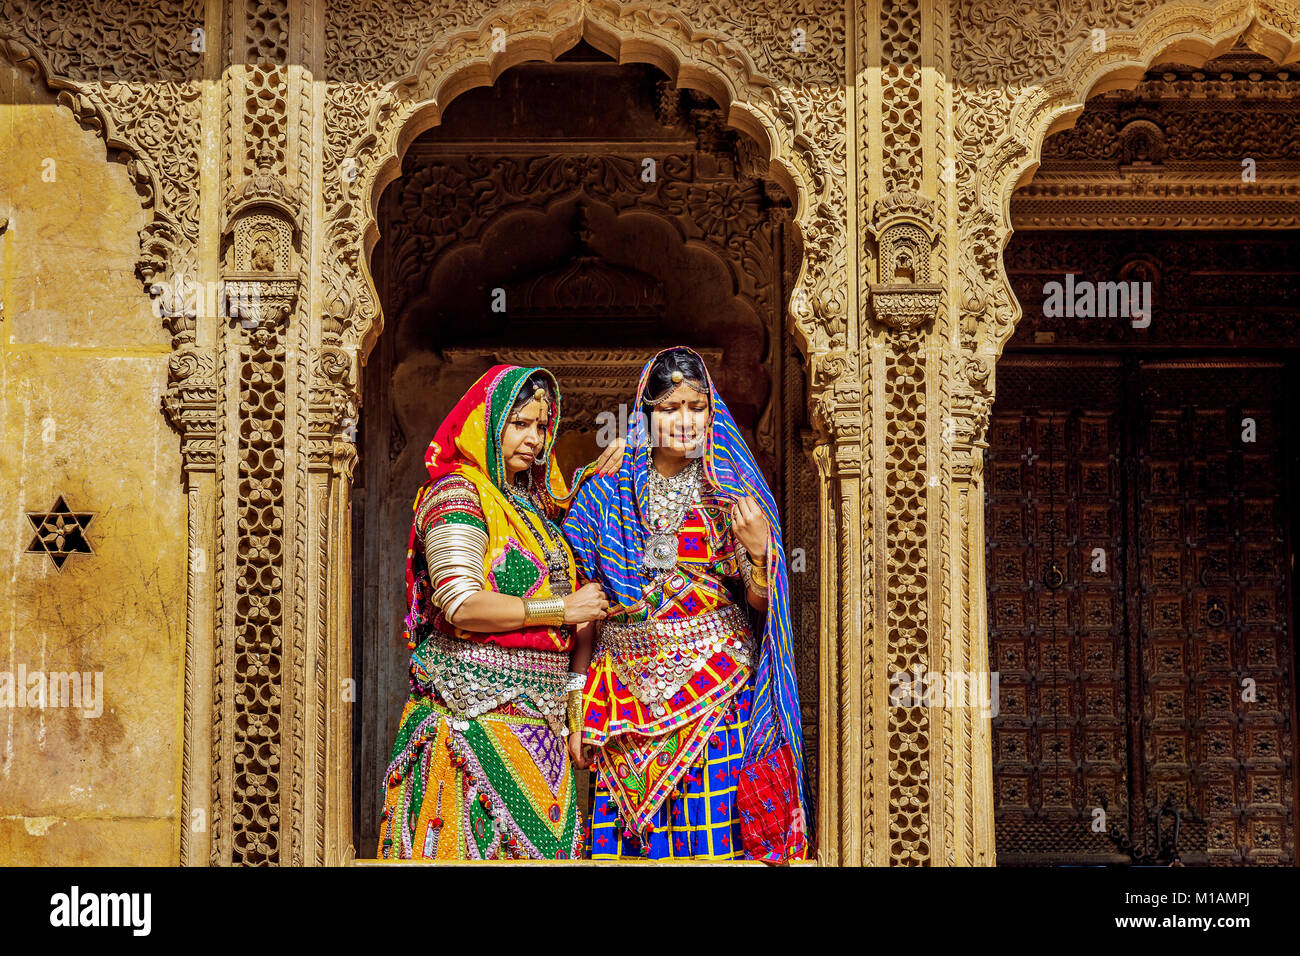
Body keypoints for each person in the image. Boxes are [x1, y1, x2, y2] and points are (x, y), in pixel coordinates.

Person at [563, 346, 810, 861]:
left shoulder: (730, 492)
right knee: (622, 848)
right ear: (647, 412)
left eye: (697, 408)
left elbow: (762, 606)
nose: (685, 421)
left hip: (716, 694)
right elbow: (584, 607)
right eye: (671, 408)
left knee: (710, 848)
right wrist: (576, 702)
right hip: (620, 701)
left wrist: (763, 553)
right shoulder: (601, 491)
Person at [376, 364, 619, 860]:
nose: (534, 438)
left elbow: (574, 628)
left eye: (542, 426)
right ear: (488, 422)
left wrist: (577, 717)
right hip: (473, 730)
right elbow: (460, 603)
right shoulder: (458, 495)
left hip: (545, 741)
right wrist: (562, 608)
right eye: (520, 424)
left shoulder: (535, 513)